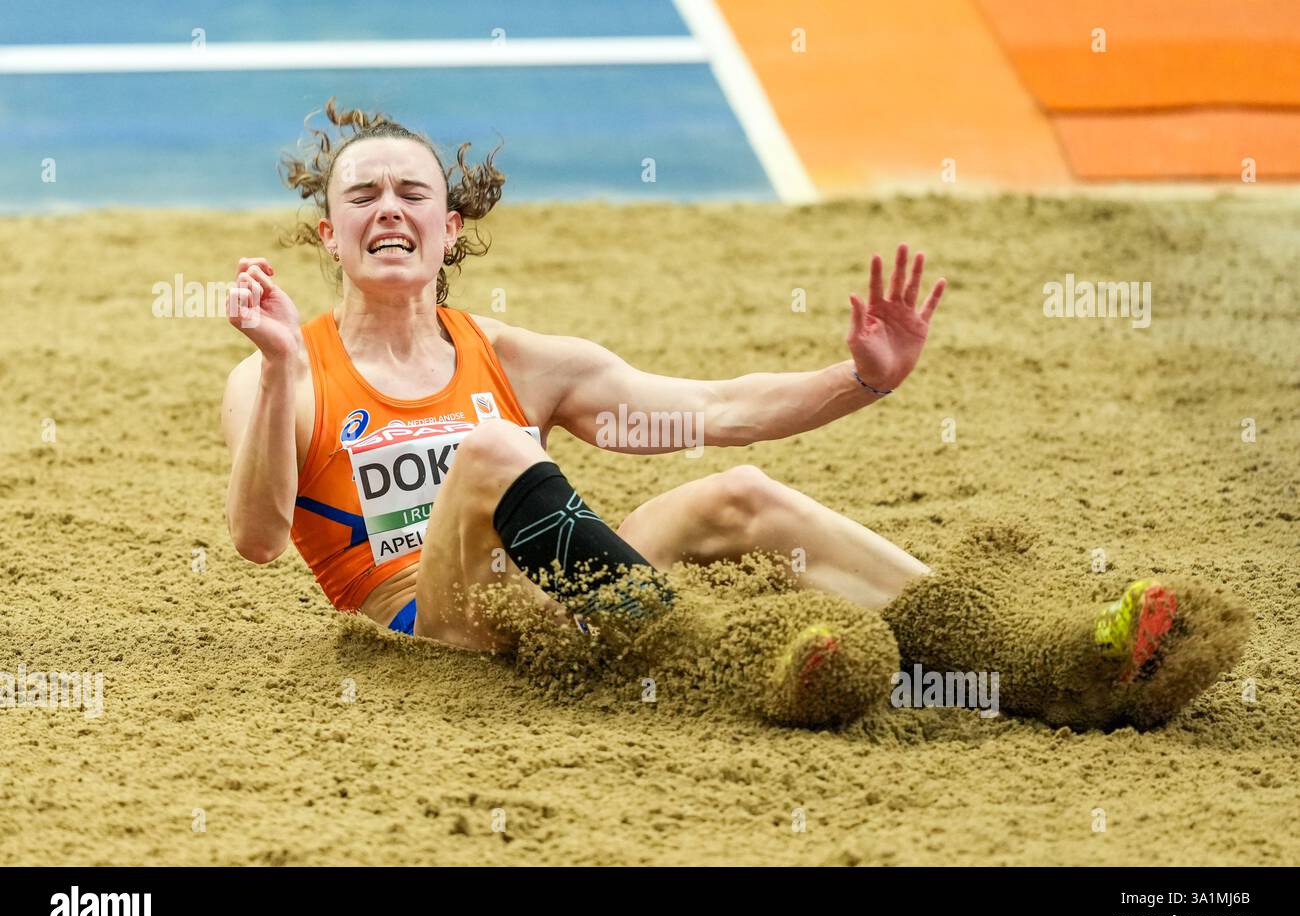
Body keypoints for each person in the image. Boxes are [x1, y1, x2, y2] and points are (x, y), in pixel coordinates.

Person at [220, 100, 1245, 729]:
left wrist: (864, 380)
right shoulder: (284, 374)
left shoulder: (518, 358)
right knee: (492, 450)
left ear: (451, 229)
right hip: (430, 622)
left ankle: (1034, 659)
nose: (388, 208)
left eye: (412, 193)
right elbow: (261, 539)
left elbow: (714, 411)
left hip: (572, 611)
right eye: (363, 196)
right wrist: (269, 364)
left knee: (739, 495)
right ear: (329, 231)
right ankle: (704, 645)